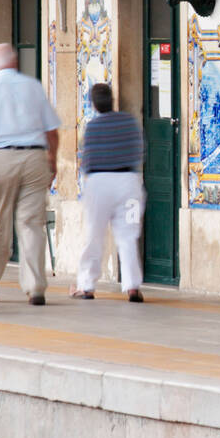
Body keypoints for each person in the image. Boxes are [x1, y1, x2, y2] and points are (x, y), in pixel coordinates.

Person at [0, 43, 60, 305]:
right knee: (32, 224)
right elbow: (52, 130)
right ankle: (35, 288)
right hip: (35, 157)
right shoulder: (33, 86)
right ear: (15, 62)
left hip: (0, 157)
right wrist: (52, 161)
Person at [76, 82, 146, 302]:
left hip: (99, 183)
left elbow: (86, 161)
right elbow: (139, 151)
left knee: (94, 234)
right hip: (130, 183)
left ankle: (87, 286)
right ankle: (132, 286)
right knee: (128, 236)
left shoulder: (92, 127)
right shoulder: (130, 122)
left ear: (94, 104)